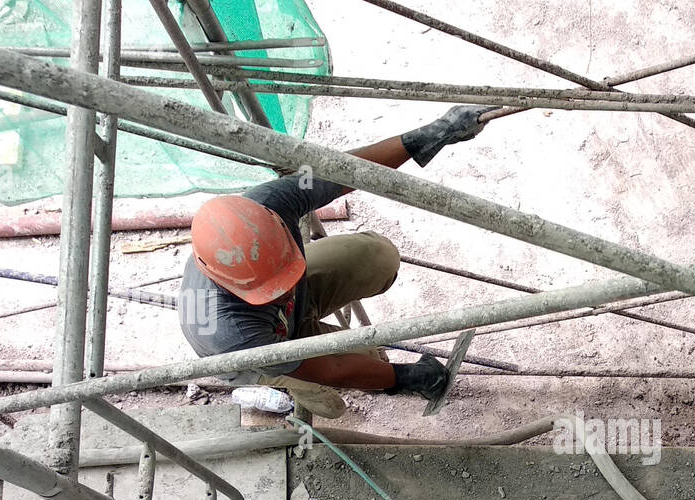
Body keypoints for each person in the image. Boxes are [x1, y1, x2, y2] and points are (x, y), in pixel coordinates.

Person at [177, 105, 492, 417]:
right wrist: (404, 378)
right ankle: (281, 383)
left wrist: (428, 135)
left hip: (284, 310)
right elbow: (333, 368)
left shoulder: (265, 205)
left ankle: (306, 317)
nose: (284, 291)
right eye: (273, 290)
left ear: (275, 225)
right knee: (355, 377)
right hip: (262, 347)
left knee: (377, 257)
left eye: (284, 279)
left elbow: (341, 172)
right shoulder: (231, 333)